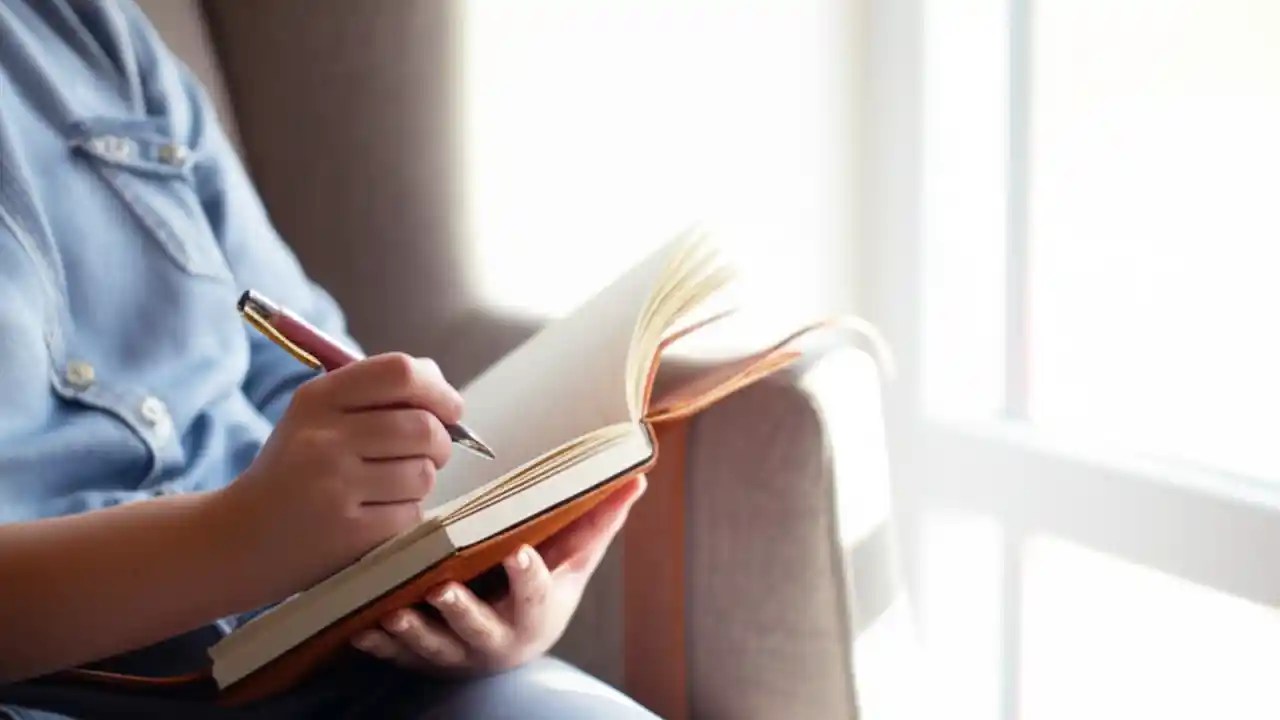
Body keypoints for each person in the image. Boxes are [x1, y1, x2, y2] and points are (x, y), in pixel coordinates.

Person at [0, 1, 655, 717]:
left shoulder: (88, 27)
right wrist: (232, 542)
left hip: (337, 648)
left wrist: (464, 580)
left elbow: (305, 366)